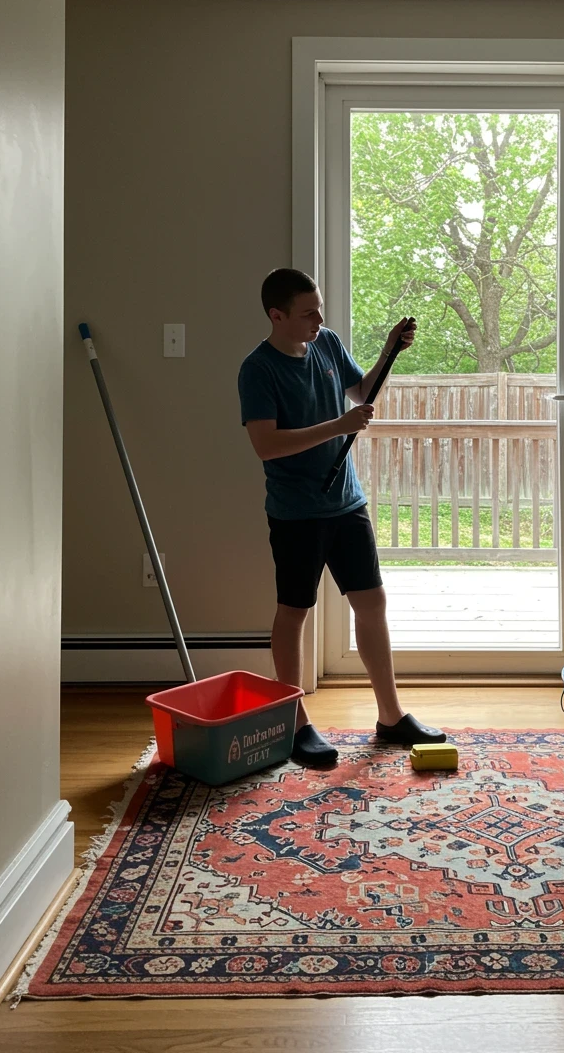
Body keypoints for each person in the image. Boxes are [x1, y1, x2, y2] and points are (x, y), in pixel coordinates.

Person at [238, 267, 447, 767]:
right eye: (308, 311)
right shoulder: (258, 369)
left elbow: (362, 392)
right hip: (296, 513)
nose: (319, 318)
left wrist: (389, 352)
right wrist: (337, 426)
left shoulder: (327, 344)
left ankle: (391, 717)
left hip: (346, 503)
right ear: (277, 314)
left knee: (371, 601)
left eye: (320, 308)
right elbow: (265, 445)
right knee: (295, 612)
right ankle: (296, 722)